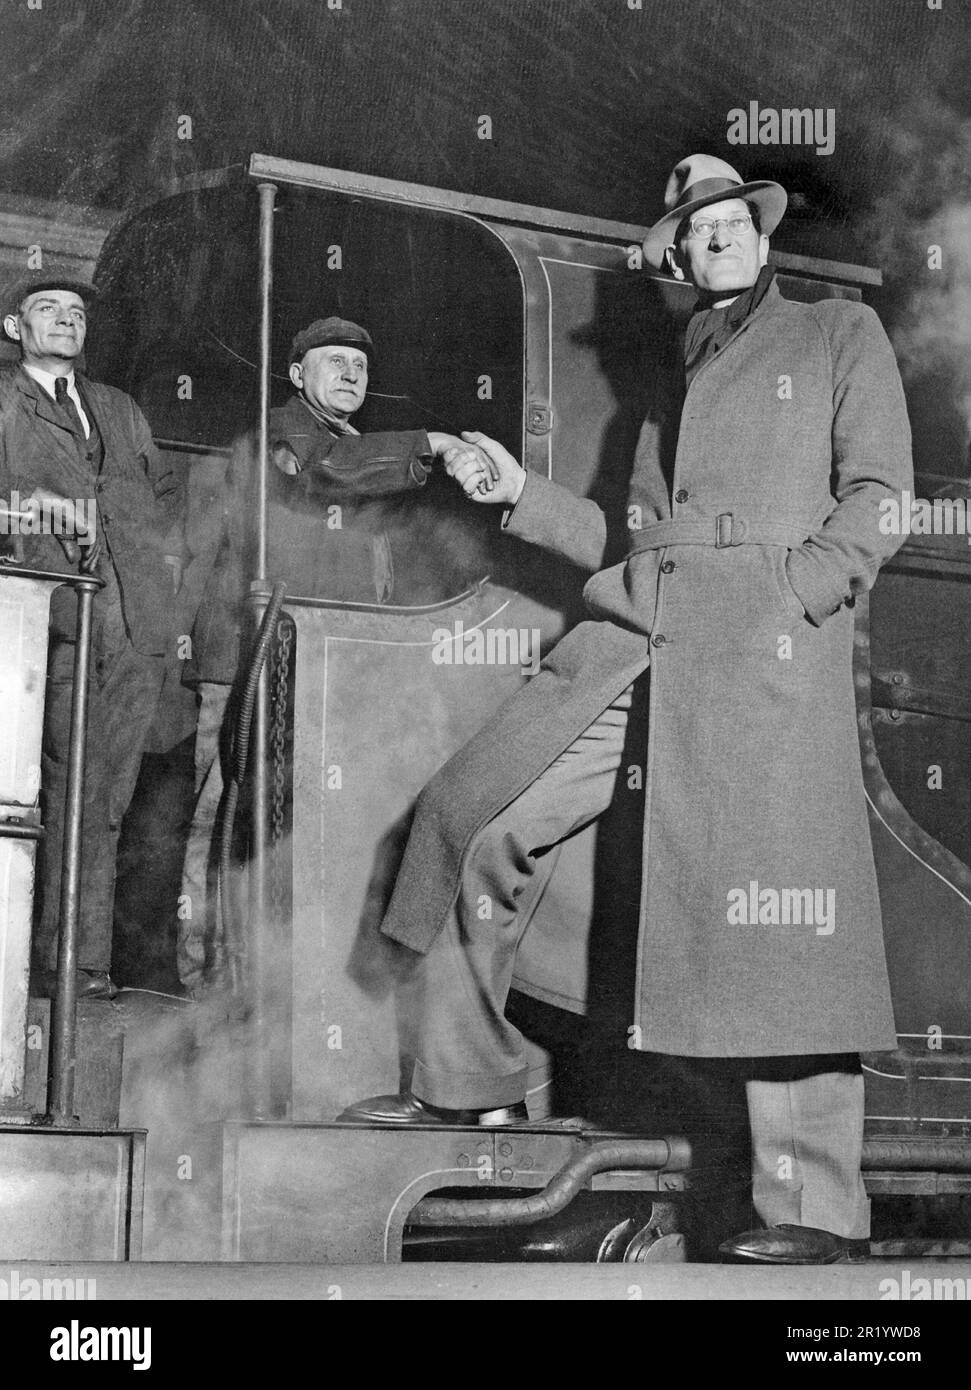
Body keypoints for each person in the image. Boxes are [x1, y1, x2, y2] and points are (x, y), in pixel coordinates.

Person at [339, 155, 915, 1265]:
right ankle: (470, 1088)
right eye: (690, 234)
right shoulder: (675, 371)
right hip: (637, 634)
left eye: (727, 222)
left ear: (756, 230)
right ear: (675, 256)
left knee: (775, 919)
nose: (713, 242)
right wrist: (518, 494)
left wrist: (799, 594)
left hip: (758, 652)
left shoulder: (837, 333)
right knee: (472, 810)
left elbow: (878, 494)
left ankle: (811, 1214)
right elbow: (626, 536)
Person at [178, 315, 493, 993]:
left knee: (302, 814)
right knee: (223, 811)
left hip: (319, 664)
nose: (352, 373)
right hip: (248, 658)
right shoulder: (288, 432)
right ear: (297, 375)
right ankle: (205, 973)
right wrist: (433, 441)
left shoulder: (365, 453)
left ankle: (288, 971)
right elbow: (327, 472)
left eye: (361, 364)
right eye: (334, 361)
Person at [0, 275, 185, 999]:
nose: (66, 321)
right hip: (50, 629)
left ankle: (86, 966)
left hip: (133, 630)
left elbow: (162, 501)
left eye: (77, 313)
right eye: (48, 310)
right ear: (16, 328)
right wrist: (31, 507)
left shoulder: (118, 409)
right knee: (62, 793)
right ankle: (49, 968)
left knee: (107, 802)